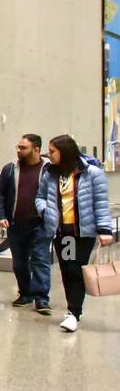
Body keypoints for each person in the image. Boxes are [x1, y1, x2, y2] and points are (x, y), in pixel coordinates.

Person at [35, 135, 115, 332]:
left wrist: (105, 229)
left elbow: (101, 203)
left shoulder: (92, 173)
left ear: (65, 151)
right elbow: (40, 197)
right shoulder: (50, 174)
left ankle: (73, 313)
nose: (49, 154)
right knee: (68, 270)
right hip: (63, 233)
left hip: (83, 232)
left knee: (75, 270)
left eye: (52, 151)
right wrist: (45, 211)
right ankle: (74, 310)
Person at [0, 134, 52, 314]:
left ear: (36, 150)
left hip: (41, 224)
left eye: (23, 148)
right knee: (19, 262)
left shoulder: (49, 170)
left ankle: (41, 298)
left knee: (40, 260)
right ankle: (25, 293)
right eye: (18, 147)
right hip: (16, 224)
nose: (19, 151)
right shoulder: (10, 169)